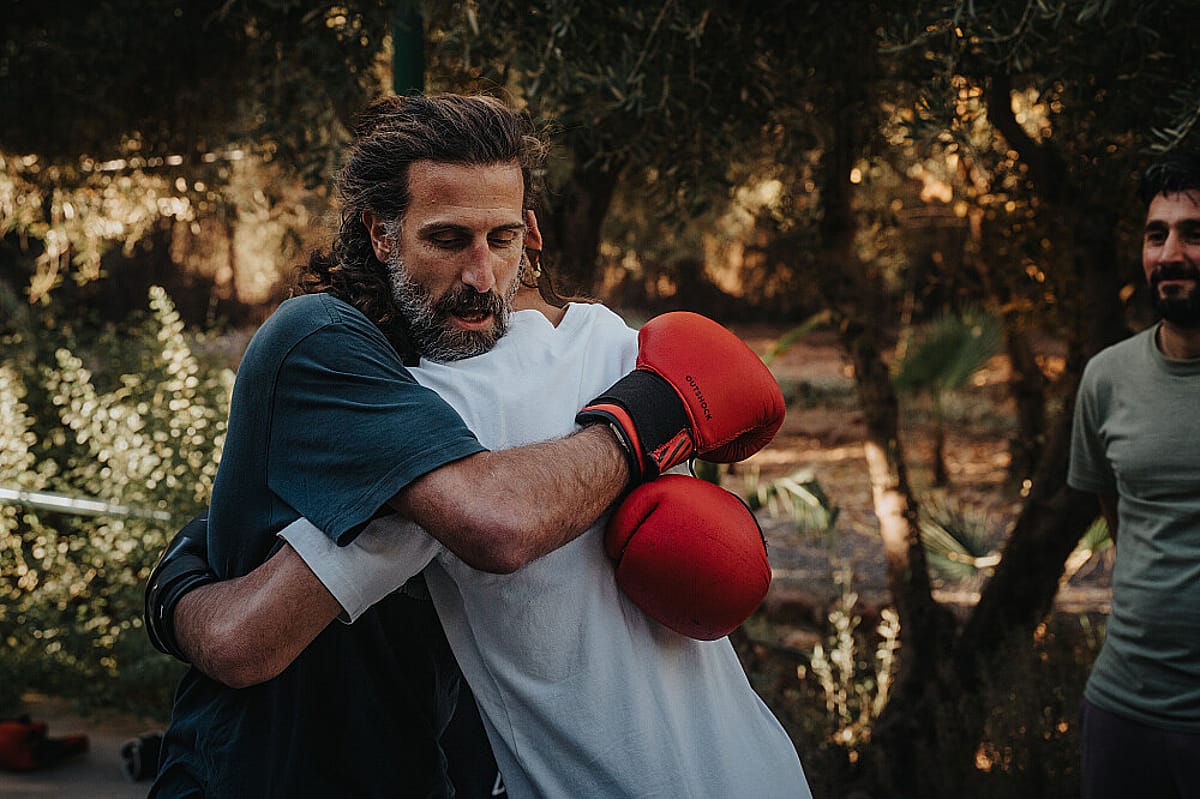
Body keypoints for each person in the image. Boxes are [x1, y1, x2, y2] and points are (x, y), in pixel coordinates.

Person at [147, 93, 786, 798]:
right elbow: (495, 520)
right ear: (381, 233)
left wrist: (189, 562)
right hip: (257, 775)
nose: (481, 276)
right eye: (448, 240)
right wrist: (658, 411)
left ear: (531, 233)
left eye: (501, 239)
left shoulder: (605, 352)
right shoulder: (369, 366)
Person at [1068, 149, 1200, 799]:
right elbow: (1119, 517)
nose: (1171, 253)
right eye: (1157, 234)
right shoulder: (1106, 378)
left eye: (1194, 233)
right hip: (1124, 712)